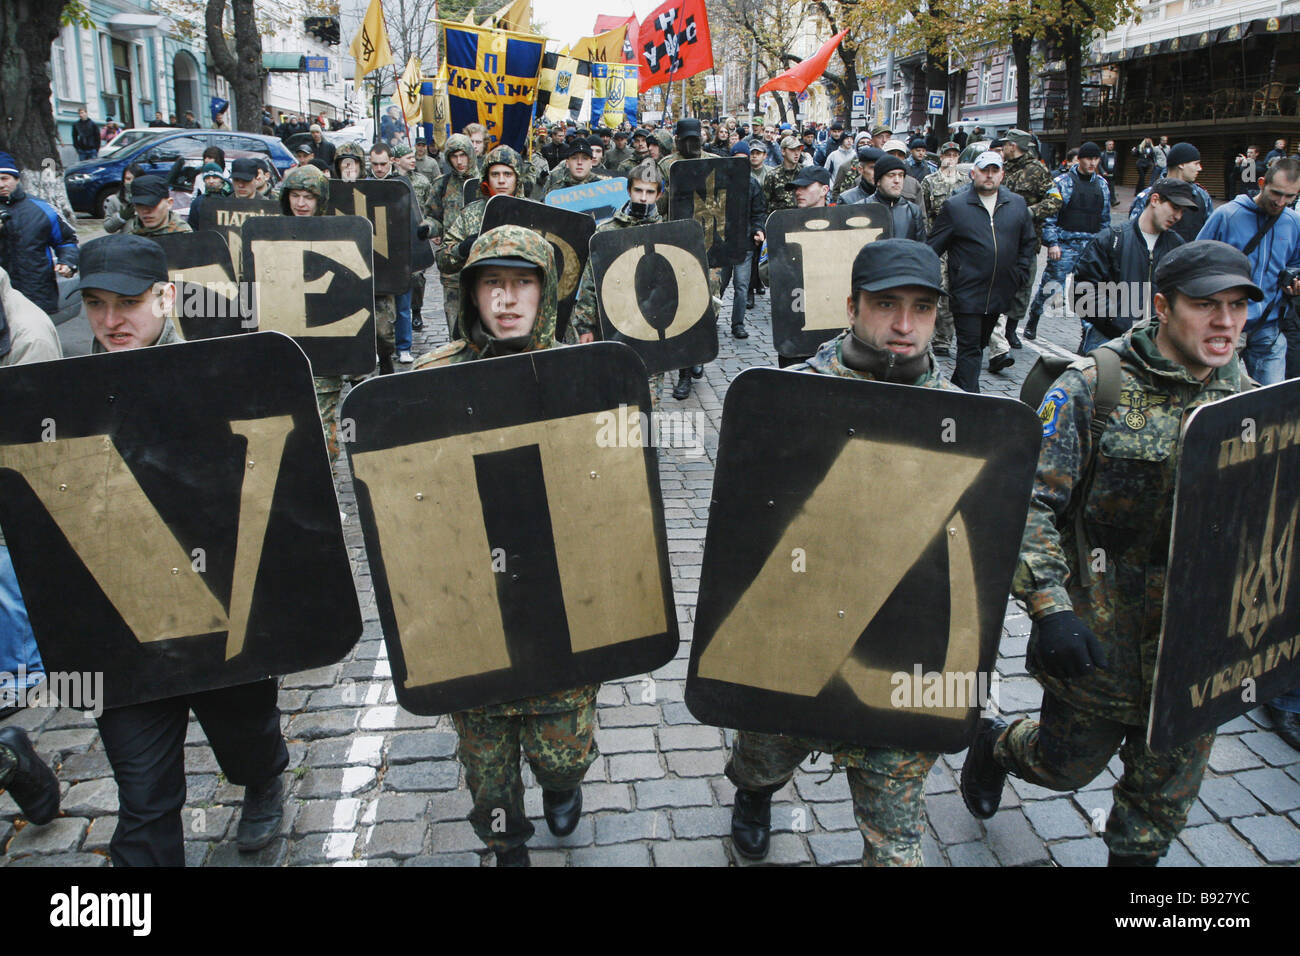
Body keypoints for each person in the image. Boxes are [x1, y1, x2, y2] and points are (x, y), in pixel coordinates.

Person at [960, 240, 1263, 866]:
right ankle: (996, 746)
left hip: (1196, 651)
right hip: (1099, 637)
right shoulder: (1095, 387)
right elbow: (1025, 502)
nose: (1226, 323)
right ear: (1161, 306)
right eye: (1207, 305)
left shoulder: (1251, 400)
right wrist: (1050, 608)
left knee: (1158, 808)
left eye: (1237, 306)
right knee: (1061, 767)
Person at [728, 239, 958, 867]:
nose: (904, 326)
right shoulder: (786, 401)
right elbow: (742, 531)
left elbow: (986, 541)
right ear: (851, 305)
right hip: (796, 637)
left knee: (897, 851)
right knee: (762, 758)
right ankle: (753, 796)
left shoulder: (964, 420)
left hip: (899, 656)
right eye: (886, 305)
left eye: (922, 308)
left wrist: (1049, 608)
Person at [72, 234, 290, 865]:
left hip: (217, 601)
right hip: (118, 625)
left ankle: (263, 781)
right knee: (142, 800)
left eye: (128, 303)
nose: (111, 321)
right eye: (94, 303)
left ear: (165, 298)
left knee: (244, 728)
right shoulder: (55, 390)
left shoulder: (217, 378)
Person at [415, 225, 599, 867]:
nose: (508, 298)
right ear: (472, 293)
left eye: (523, 283)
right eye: (493, 283)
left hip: (559, 606)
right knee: (488, 778)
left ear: (546, 293)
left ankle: (562, 785)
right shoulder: (428, 380)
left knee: (563, 756)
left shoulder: (586, 376)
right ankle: (506, 849)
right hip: (470, 611)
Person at [926, 150, 1036, 392]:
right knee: (970, 348)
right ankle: (969, 401)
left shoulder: (1016, 205)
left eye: (994, 170)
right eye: (984, 170)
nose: (989, 175)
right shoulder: (956, 206)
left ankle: (956, 389)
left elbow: (1028, 243)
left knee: (980, 345)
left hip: (1000, 291)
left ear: (1002, 174)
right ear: (973, 173)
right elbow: (933, 246)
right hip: (967, 291)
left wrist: (1019, 275)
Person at [1197, 157, 1300, 386]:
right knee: (1219, 393)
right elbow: (1197, 262)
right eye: (1276, 193)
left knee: (1270, 399)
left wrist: (1294, 281)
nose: (1281, 202)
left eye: (1290, 196)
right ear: (1262, 183)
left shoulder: (1294, 222)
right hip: (1226, 323)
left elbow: (1296, 263)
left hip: (1270, 326)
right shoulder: (1227, 215)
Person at [1074, 177, 1192, 353]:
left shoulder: (1177, 246)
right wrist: (1119, 319)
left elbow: (1184, 294)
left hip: (1156, 345)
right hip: (1108, 341)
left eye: (1182, 211)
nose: (1178, 216)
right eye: (1175, 207)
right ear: (1155, 200)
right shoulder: (1112, 239)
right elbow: (1083, 290)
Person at [1026, 142, 1111, 342]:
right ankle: (1034, 316)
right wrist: (1053, 243)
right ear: (1079, 159)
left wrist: (1105, 247)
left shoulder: (1102, 185)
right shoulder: (1063, 182)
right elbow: (1050, 217)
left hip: (1091, 246)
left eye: (1096, 159)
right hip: (1066, 244)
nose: (1092, 163)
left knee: (1088, 291)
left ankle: (1086, 333)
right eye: (1088, 158)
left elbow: (1105, 219)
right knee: (1052, 286)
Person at [1000, 129, 1061, 344]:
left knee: (1023, 285)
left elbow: (1055, 199)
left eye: (1006, 144)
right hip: (1000, 236)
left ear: (1014, 146)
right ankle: (994, 328)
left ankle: (1011, 329)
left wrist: (1030, 212)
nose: (1004, 147)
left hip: (1026, 239)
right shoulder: (1001, 169)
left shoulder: (1037, 170)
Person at [0, 152, 80, 315]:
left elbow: (66, 241)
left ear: (16, 179)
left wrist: (68, 262)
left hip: (36, 293)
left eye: (4, 178)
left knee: (37, 340)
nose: (0, 184)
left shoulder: (42, 208)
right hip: (2, 296)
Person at [919, 141, 967, 357]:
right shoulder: (929, 181)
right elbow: (924, 213)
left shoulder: (966, 182)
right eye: (947, 154)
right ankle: (939, 338)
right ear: (940, 157)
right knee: (940, 290)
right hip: (939, 244)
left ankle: (949, 337)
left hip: (960, 244)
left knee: (957, 291)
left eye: (954, 155)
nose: (950, 158)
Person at [718, 142, 766, 338]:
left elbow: (758, 212)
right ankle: (711, 318)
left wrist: (758, 230)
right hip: (724, 244)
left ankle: (738, 324)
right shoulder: (721, 183)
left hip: (745, 243)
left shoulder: (753, 185)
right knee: (719, 285)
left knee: (741, 285)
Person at [1128, 142, 1212, 243]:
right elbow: (1132, 237)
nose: (1200, 168)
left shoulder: (1202, 196)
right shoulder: (1147, 196)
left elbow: (1210, 235)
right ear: (1182, 164)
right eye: (1196, 163)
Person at [861, 155, 925, 241]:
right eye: (891, 175)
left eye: (901, 175)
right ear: (879, 181)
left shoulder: (912, 211)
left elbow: (920, 247)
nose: (897, 180)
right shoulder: (861, 208)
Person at [121, 174, 191, 236]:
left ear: (169, 203)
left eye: (152, 204)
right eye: (140, 205)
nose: (145, 211)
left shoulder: (184, 236)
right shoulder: (131, 235)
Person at [1099, 140, 1119, 207]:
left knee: (1112, 188)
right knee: (1104, 188)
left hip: (1112, 173)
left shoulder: (1115, 154)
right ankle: (1103, 201)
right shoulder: (1102, 154)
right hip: (1105, 174)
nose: (1111, 146)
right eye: (1110, 144)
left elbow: (1116, 164)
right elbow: (1099, 164)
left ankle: (1113, 201)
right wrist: (1103, 172)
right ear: (1106, 146)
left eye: (1112, 144)